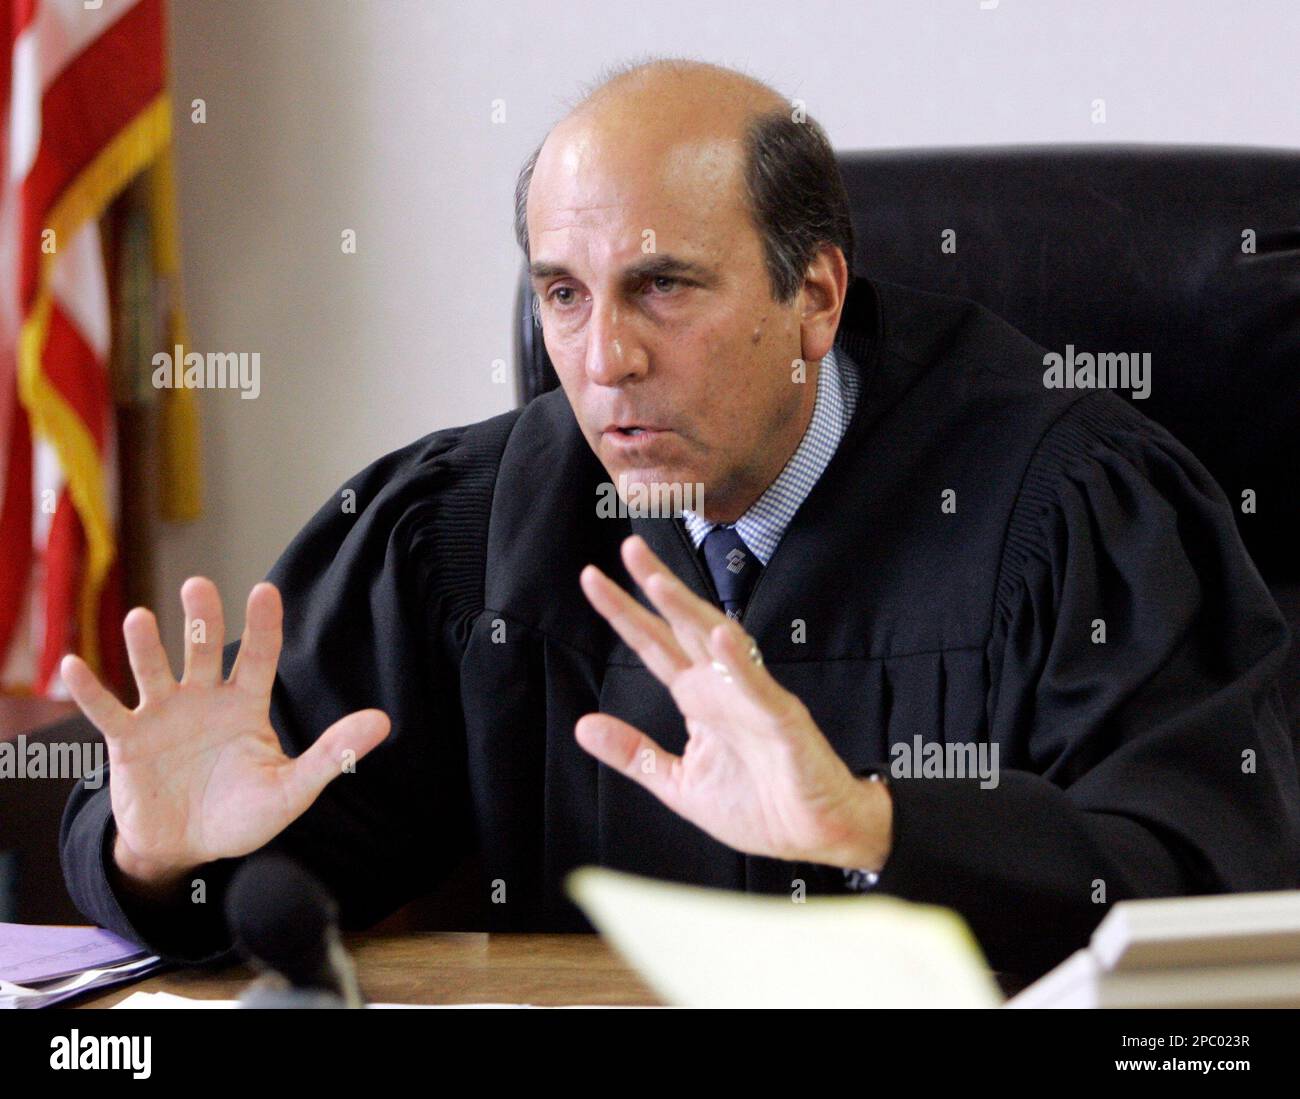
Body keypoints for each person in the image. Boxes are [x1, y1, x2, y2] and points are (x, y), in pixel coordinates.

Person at [59, 58, 1300, 982]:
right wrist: (157, 858)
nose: (604, 359)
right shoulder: (462, 533)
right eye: (563, 293)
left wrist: (879, 825)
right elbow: (271, 870)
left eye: (662, 286)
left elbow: (1210, 888)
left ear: (814, 298)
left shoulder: (1070, 506)